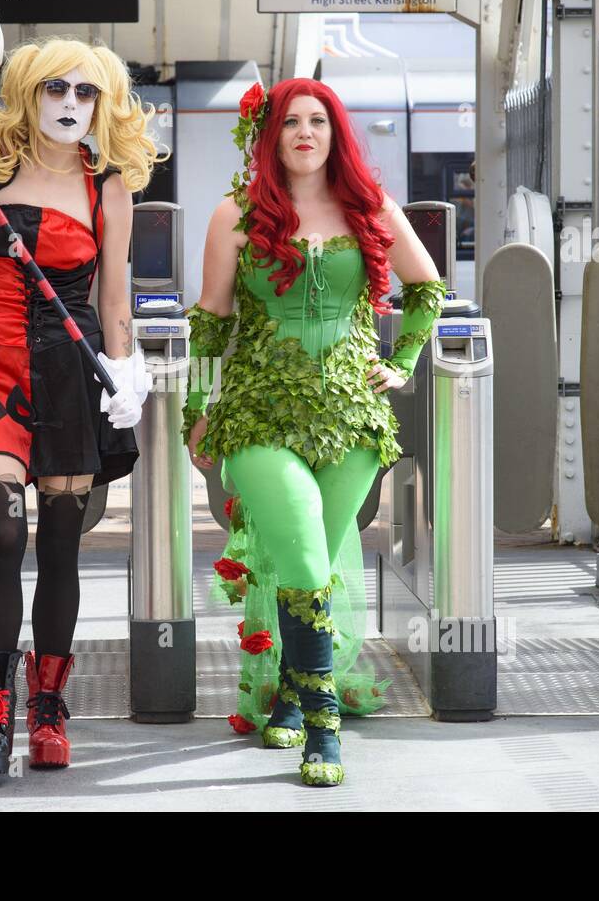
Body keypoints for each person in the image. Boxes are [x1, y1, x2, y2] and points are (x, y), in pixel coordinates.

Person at [0, 38, 162, 773]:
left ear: (101, 103)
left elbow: (114, 299)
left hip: (70, 371)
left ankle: (48, 704)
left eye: (86, 93)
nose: (71, 104)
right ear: (28, 95)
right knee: (5, 532)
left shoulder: (107, 184)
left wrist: (125, 370)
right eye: (56, 90)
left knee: (59, 543)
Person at [184, 78, 445, 787]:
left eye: (318, 121)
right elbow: (209, 319)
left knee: (319, 562)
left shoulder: (370, 207)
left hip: (351, 420)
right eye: (291, 122)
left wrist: (404, 363)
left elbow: (428, 290)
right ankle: (324, 722)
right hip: (259, 412)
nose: (305, 132)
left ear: (336, 134)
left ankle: (295, 693)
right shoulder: (234, 214)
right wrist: (196, 406)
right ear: (271, 137)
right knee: (300, 553)